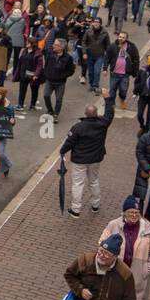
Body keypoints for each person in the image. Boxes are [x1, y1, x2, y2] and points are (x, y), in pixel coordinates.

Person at [99, 196, 150, 300]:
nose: (134, 215)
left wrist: (146, 269)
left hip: (136, 276)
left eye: (137, 213)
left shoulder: (148, 229)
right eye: (131, 212)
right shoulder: (114, 225)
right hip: (115, 272)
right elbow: (102, 242)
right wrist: (108, 261)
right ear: (124, 212)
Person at [59, 90, 115, 218]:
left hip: (79, 160)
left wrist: (62, 151)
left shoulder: (78, 127)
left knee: (78, 184)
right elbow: (110, 113)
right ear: (96, 114)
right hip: (96, 158)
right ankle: (95, 204)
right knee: (94, 181)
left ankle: (76, 209)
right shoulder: (103, 124)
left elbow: (69, 142)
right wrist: (108, 99)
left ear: (85, 114)